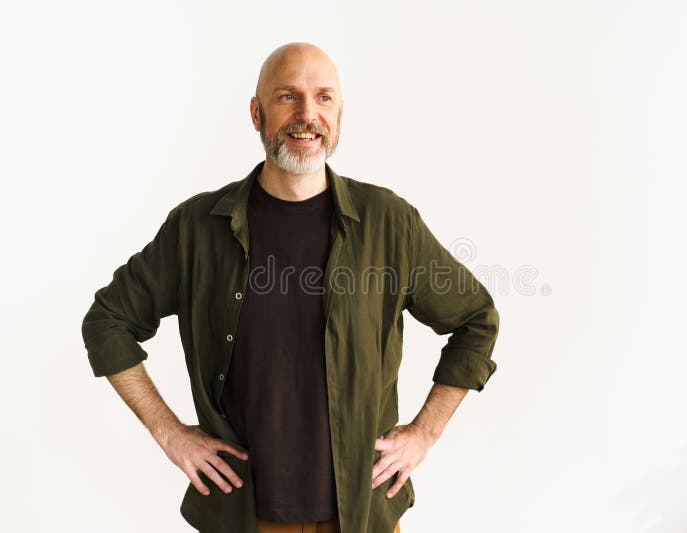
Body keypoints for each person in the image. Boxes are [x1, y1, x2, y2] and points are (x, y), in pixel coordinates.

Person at [81, 42, 500, 533]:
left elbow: (476, 319)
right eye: (287, 97)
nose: (307, 115)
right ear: (256, 112)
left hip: (363, 514)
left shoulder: (389, 223)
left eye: (324, 98)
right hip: (244, 516)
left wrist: (424, 433)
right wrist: (169, 433)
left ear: (340, 113)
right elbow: (107, 322)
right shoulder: (196, 228)